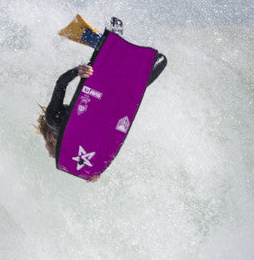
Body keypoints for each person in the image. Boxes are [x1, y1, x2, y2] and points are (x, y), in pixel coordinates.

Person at [36, 16, 167, 159]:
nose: (52, 156)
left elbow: (61, 84)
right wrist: (92, 171)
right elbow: (104, 147)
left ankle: (107, 41)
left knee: (149, 59)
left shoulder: (53, 120)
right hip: (120, 97)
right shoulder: (82, 144)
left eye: (51, 151)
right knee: (161, 60)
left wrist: (77, 71)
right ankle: (106, 41)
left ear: (50, 138)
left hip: (100, 89)